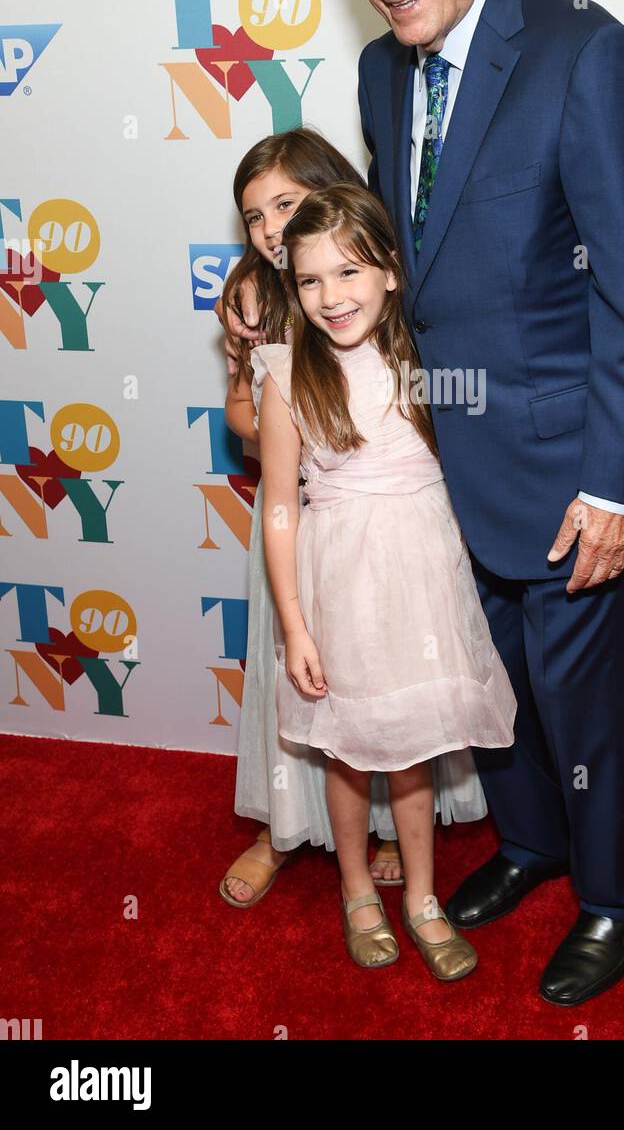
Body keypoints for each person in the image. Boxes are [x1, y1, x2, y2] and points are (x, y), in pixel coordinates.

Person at [227, 0, 624, 1006]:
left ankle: (617, 893)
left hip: (580, 464)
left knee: (589, 711)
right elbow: (400, 265)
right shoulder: (380, 72)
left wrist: (614, 484)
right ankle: (538, 846)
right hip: (454, 461)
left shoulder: (584, 56)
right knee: (495, 697)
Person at [249, 182, 517, 979]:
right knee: (347, 749)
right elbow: (280, 511)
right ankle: (358, 888)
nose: (330, 297)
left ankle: (424, 896)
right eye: (308, 280)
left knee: (416, 750)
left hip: (427, 579)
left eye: (349, 273)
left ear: (392, 272)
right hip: (342, 584)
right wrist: (295, 623)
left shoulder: (429, 354)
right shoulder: (287, 371)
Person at [217, 129, 489, 907]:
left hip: (394, 527)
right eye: (254, 217)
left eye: (287, 207)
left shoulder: (383, 297)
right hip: (306, 519)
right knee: (300, 692)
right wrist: (272, 384)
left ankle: (388, 843)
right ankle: (283, 835)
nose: (271, 230)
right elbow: (246, 422)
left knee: (386, 691)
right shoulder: (251, 296)